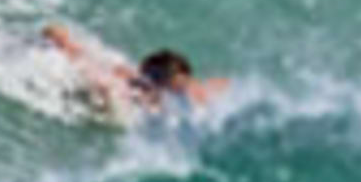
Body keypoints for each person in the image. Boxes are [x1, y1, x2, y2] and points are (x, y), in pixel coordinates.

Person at [42, 23, 228, 121]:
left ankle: (62, 40)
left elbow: (221, 85)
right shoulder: (137, 85)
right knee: (107, 74)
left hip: (149, 78)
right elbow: (105, 83)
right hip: (131, 82)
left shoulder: (193, 90)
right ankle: (62, 40)